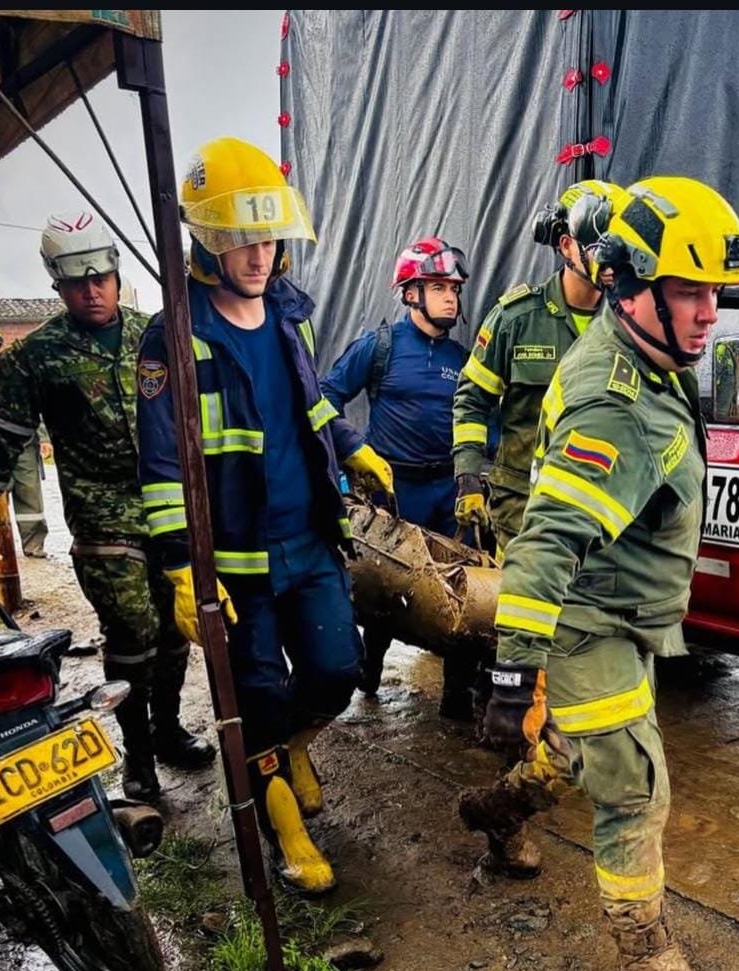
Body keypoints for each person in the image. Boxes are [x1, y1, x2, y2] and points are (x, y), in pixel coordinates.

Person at [478, 177, 739, 971]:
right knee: (634, 786)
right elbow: (547, 543)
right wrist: (511, 676)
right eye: (687, 292)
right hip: (588, 620)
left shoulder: (645, 351)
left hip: (630, 617)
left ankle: (497, 809)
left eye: (714, 291)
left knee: (576, 753)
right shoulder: (614, 402)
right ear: (630, 285)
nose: (708, 312)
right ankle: (647, 957)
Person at [137, 137, 395, 895]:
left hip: (310, 536)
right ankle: (285, 826)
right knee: (254, 693)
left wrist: (349, 444)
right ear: (206, 241)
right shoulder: (172, 336)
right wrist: (181, 563)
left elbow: (307, 402)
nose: (259, 253)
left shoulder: (289, 313)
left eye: (268, 235)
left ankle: (289, 745)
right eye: (240, 237)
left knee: (335, 671)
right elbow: (159, 462)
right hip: (237, 556)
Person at [0, 213, 213, 801]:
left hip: (167, 512)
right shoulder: (33, 357)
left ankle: (167, 732)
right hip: (101, 522)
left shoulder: (157, 333)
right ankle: (137, 759)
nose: (91, 291)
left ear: (116, 274)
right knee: (131, 635)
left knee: (173, 632)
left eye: (101, 278)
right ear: (56, 286)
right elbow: (0, 440)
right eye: (75, 283)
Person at [321, 238, 476, 717]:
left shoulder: (463, 358)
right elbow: (325, 397)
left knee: (460, 591)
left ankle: (455, 698)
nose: (451, 297)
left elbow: (483, 418)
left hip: (447, 491)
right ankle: (370, 670)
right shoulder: (380, 346)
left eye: (454, 288)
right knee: (390, 590)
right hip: (393, 491)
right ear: (411, 294)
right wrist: (352, 450)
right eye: (438, 287)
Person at [450, 180, 627, 559]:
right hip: (522, 515)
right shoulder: (517, 319)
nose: (610, 259)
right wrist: (468, 477)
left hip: (602, 516)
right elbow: (472, 400)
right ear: (567, 246)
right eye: (598, 247)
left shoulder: (632, 323)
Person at [0, 327, 48, 558]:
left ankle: (34, 545)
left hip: (23, 446)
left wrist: (44, 438)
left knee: (29, 496)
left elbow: (36, 406)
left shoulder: (14, 372)